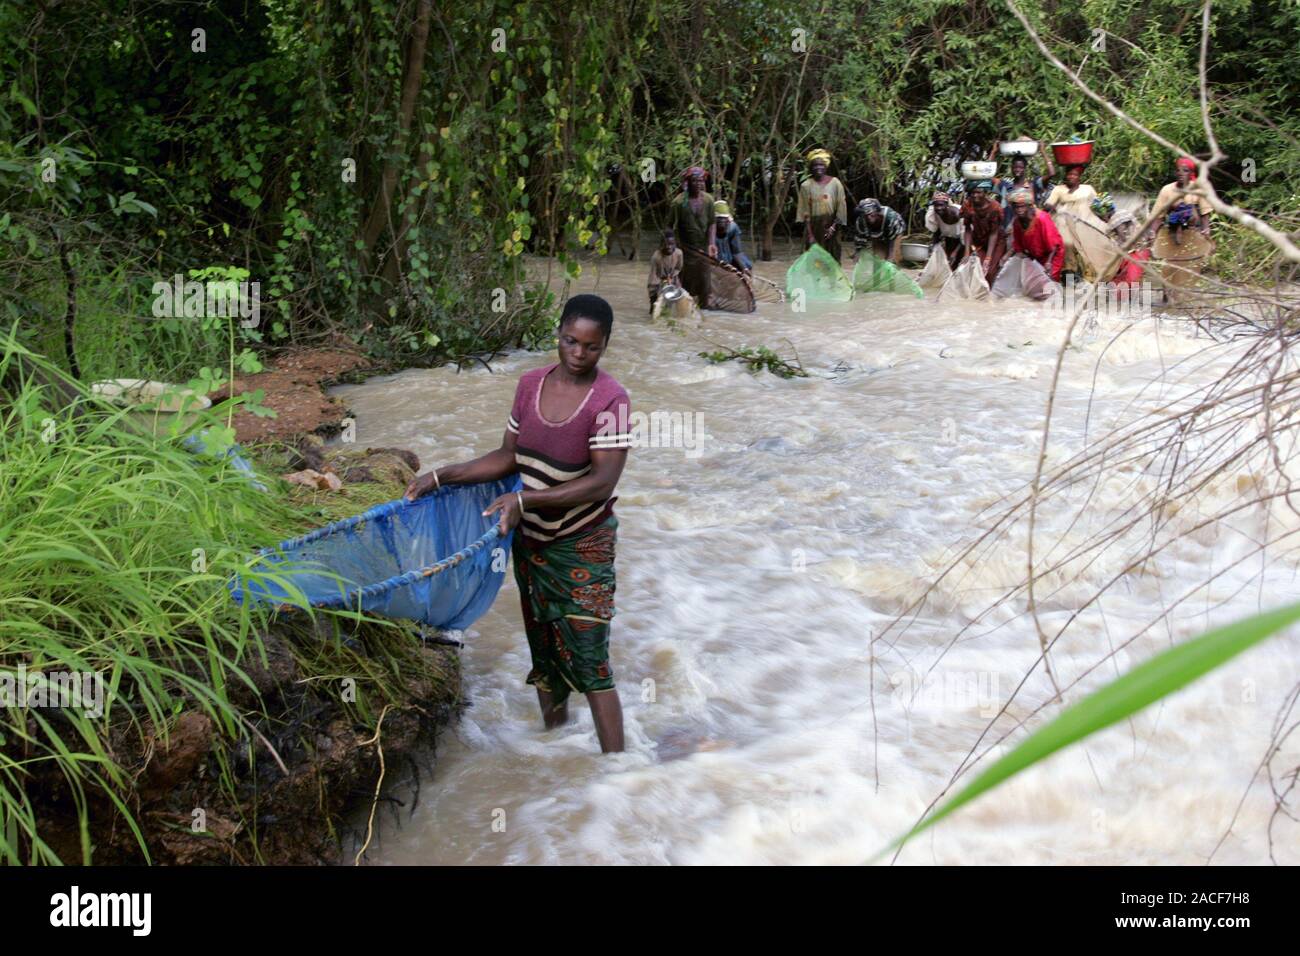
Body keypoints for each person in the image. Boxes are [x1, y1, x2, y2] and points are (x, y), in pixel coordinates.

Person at [404, 294, 632, 754]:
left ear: (605, 345)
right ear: (559, 334)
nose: (578, 353)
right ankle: (556, 750)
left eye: (591, 347)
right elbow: (508, 456)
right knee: (544, 652)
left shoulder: (611, 400)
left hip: (581, 544)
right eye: (571, 341)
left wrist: (525, 501)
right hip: (531, 542)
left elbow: (602, 482)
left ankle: (620, 774)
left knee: (590, 661)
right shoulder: (530, 385)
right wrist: (441, 475)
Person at [1043, 164, 1118, 281]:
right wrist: (1049, 207)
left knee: (1098, 243)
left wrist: (1106, 218)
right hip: (1065, 222)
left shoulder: (1087, 189)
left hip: (1085, 221)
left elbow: (1098, 204)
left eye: (1074, 174)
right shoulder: (1059, 189)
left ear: (1079, 177)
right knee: (1067, 243)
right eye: (1069, 174)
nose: (1071, 177)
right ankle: (1069, 272)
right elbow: (1049, 204)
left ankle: (1095, 272)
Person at [669, 166, 718, 308]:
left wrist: (711, 243)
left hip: (703, 251)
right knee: (684, 285)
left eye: (701, 181)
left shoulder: (709, 200)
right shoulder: (678, 203)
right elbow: (669, 226)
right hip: (685, 249)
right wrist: (671, 247)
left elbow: (712, 223)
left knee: (705, 285)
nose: (698, 184)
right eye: (695, 181)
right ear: (687, 183)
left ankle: (704, 310)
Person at [991, 141, 1054, 236]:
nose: (1017, 170)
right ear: (1011, 168)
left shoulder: (1034, 185)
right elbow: (987, 175)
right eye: (1015, 167)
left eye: (1020, 167)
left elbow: (1051, 173)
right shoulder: (1005, 186)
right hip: (1009, 232)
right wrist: (993, 152)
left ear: (1025, 169)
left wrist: (1042, 151)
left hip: (1031, 231)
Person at [795, 148, 848, 262]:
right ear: (811, 168)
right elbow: (805, 211)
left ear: (826, 166)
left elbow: (841, 206)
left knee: (833, 257)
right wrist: (810, 235)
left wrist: (833, 227)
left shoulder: (835, 183)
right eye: (815, 165)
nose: (818, 168)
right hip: (814, 226)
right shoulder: (806, 185)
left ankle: (833, 280)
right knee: (815, 258)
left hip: (832, 224)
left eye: (821, 165)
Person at [1146, 156, 1212, 247]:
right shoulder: (1167, 190)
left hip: (1194, 228)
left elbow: (1205, 214)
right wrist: (1152, 232)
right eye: (1178, 170)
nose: (1181, 173)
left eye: (1185, 171)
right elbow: (1159, 216)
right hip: (1173, 229)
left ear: (1191, 173)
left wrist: (1206, 230)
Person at [1009, 188, 1065, 282]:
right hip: (1035, 256)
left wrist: (1048, 262)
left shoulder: (1042, 218)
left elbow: (1054, 244)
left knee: (1048, 283)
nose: (1019, 210)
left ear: (1029, 206)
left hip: (1051, 255)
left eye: (1022, 207)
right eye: (1016, 207)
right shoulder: (1017, 223)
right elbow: (1018, 246)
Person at [960, 181, 1006, 283]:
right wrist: (966, 253)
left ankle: (991, 295)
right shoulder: (968, 205)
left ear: (985, 193)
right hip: (979, 240)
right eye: (973, 193)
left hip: (996, 241)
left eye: (979, 192)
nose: (975, 195)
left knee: (990, 271)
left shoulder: (994, 207)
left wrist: (988, 258)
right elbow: (967, 229)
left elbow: (994, 233)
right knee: (977, 268)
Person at [851, 198, 906, 264]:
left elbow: (893, 239)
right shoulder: (860, 222)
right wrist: (858, 254)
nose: (869, 218)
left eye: (871, 215)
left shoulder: (890, 217)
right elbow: (860, 239)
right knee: (878, 260)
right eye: (866, 216)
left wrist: (890, 256)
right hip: (877, 235)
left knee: (892, 261)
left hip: (895, 233)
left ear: (877, 212)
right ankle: (878, 274)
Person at [925, 191, 965, 267]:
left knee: (960, 265)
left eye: (941, 205)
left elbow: (964, 238)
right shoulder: (936, 214)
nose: (938, 208)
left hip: (963, 243)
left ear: (947, 205)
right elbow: (937, 232)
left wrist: (955, 253)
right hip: (949, 240)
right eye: (936, 206)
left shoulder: (960, 214)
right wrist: (933, 247)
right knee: (948, 265)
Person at [712, 200, 753, 273]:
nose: (721, 221)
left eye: (723, 219)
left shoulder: (733, 228)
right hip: (714, 260)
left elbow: (736, 252)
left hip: (729, 259)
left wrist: (744, 268)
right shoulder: (708, 230)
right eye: (719, 219)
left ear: (728, 221)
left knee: (747, 265)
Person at [647, 230, 683, 310]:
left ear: (675, 244)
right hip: (658, 280)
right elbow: (653, 277)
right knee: (654, 307)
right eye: (666, 244)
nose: (668, 247)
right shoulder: (656, 257)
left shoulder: (679, 253)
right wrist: (654, 294)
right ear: (661, 245)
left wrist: (674, 279)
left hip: (672, 278)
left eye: (671, 244)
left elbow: (678, 268)